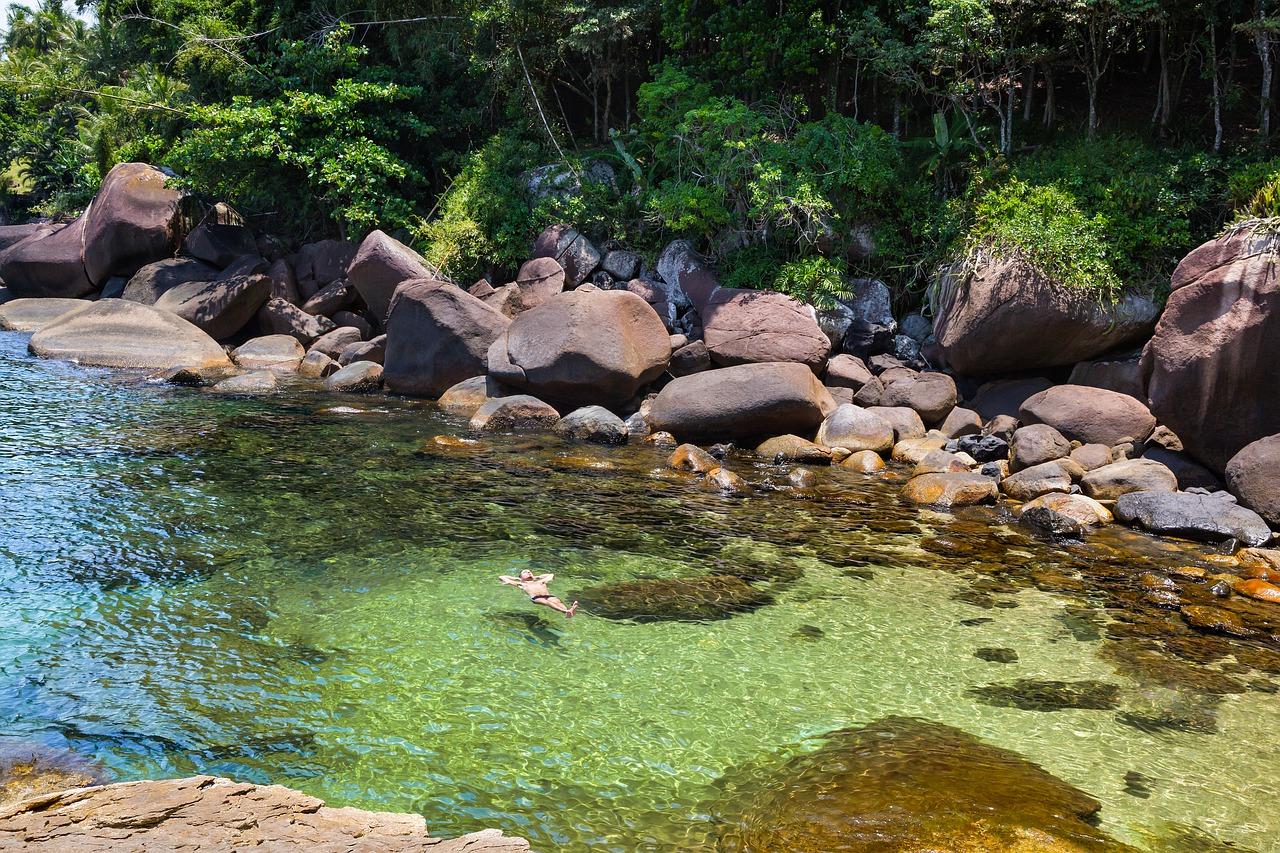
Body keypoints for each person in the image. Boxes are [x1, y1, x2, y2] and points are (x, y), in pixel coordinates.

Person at [499, 570, 578, 618]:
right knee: (548, 602)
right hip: (536, 598)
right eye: (525, 572)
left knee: (557, 601)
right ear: (521, 577)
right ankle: (565, 611)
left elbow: (551, 575)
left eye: (530, 572)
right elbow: (502, 577)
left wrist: (537, 577)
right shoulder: (522, 584)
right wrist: (517, 578)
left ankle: (568, 612)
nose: (529, 573)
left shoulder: (541, 581)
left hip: (548, 595)